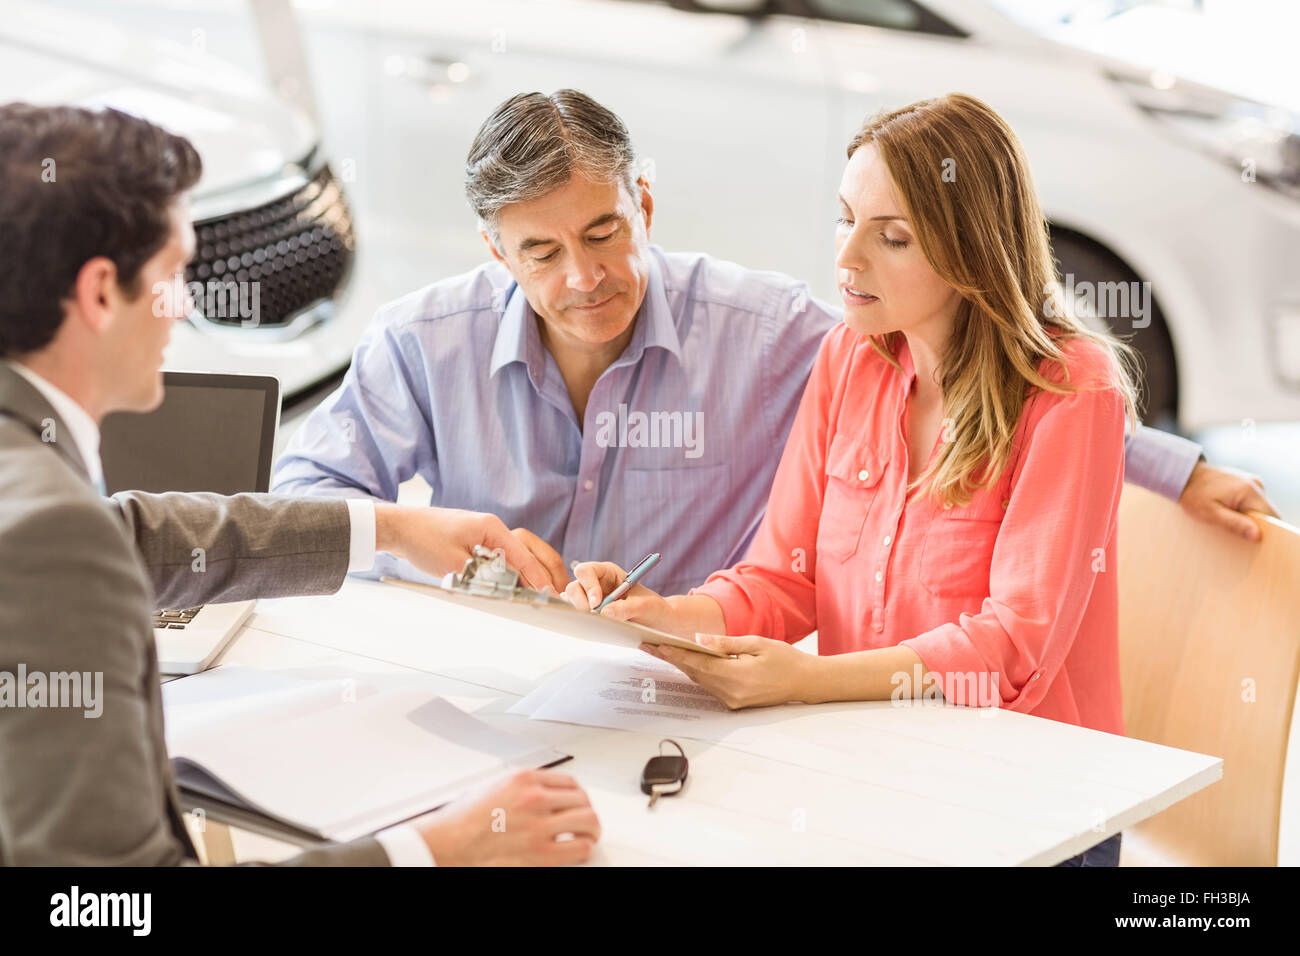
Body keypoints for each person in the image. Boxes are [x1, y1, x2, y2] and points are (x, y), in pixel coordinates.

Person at [271, 89, 1275, 602]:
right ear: (496, 251)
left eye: (603, 232)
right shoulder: (420, 343)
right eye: (541, 252)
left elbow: (964, 360)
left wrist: (1168, 468)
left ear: (644, 202)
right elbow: (296, 500)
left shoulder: (766, 331)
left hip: (685, 701)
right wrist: (408, 531)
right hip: (476, 701)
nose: (582, 277)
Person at [565, 93, 1181, 866]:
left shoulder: (1071, 390)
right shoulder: (850, 357)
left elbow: (1014, 647)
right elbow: (784, 580)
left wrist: (807, 681)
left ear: (971, 252)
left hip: (1031, 807)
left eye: (891, 237)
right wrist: (668, 616)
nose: (847, 257)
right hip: (878, 770)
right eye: (844, 218)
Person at [0, 103, 599, 867]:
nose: (185, 310)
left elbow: (130, 538)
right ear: (96, 295)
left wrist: (389, 528)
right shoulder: (49, 533)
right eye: (173, 276)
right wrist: (432, 849)